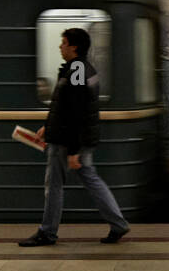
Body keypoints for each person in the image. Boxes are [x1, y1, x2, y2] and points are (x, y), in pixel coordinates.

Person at [19, 27, 130, 246]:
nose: (60, 47)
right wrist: (47, 127)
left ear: (74, 46)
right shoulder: (78, 69)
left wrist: (73, 150)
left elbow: (77, 110)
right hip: (68, 137)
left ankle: (47, 232)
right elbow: (66, 107)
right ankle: (118, 223)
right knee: (90, 179)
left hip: (67, 142)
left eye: (63, 43)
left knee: (55, 185)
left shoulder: (77, 69)